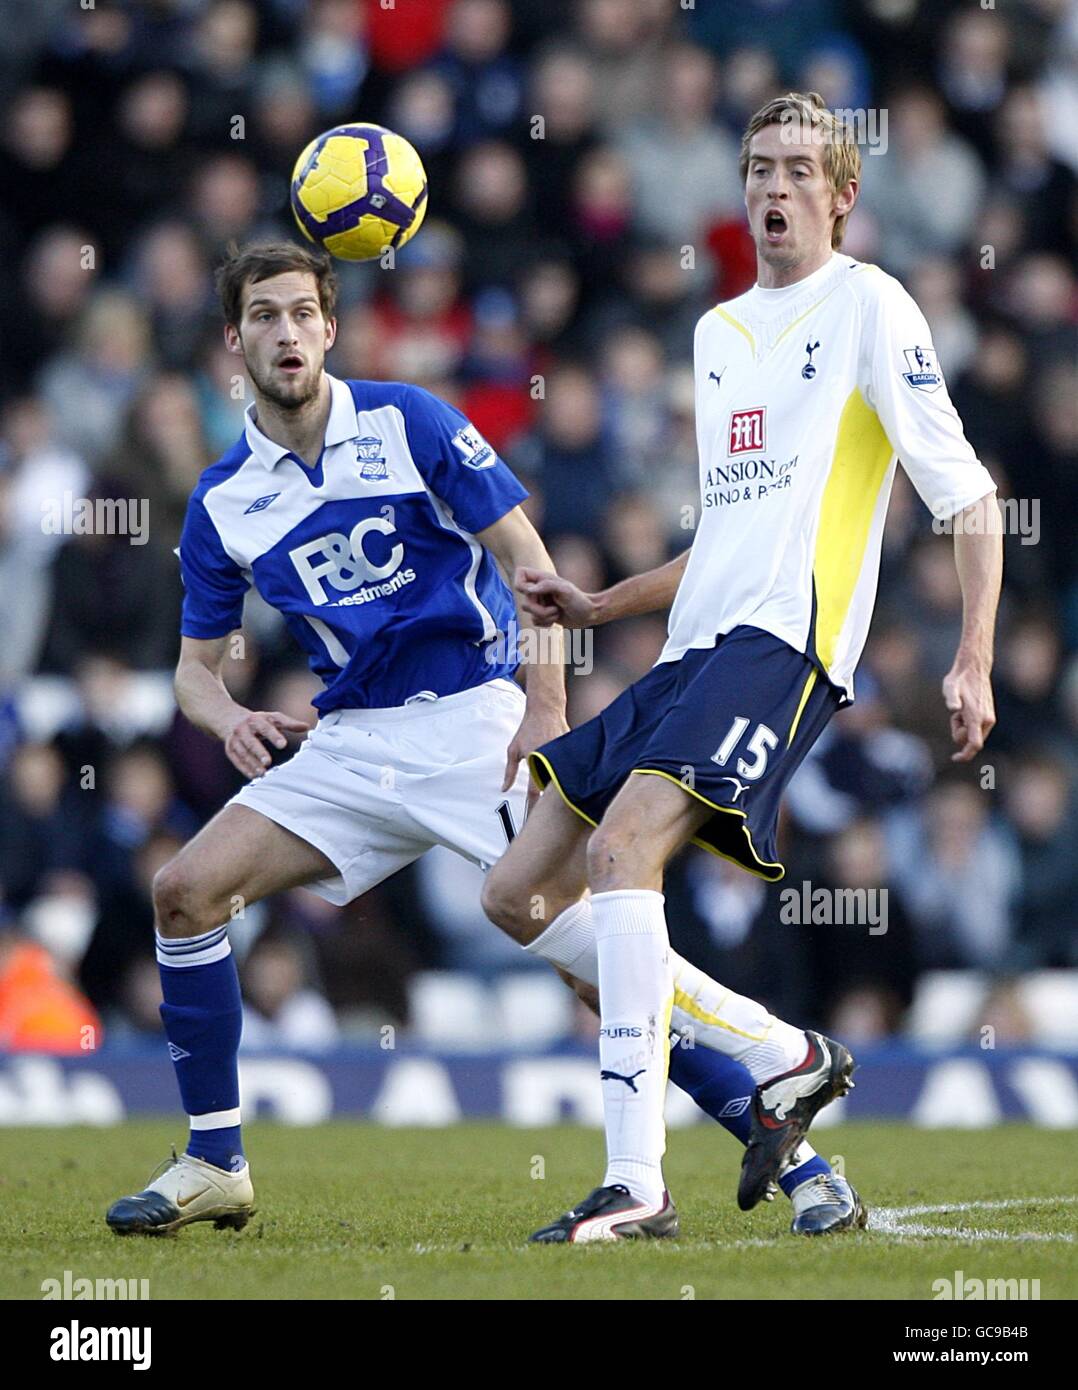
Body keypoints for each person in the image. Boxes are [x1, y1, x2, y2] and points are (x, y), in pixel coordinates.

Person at [104, 240, 850, 1238]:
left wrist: (544, 704)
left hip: (470, 719)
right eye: (263, 316)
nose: (285, 332)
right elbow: (194, 674)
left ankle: (803, 1161)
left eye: (301, 313)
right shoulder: (223, 501)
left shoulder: (407, 421)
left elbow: (524, 557)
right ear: (232, 341)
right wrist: (232, 716)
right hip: (347, 744)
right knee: (184, 892)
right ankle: (213, 1161)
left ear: (330, 327)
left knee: (589, 962)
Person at [483, 91, 1002, 1243]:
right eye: (757, 167)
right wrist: (604, 600)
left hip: (784, 647)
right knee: (516, 891)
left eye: (797, 171)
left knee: (623, 853)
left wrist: (971, 655)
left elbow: (965, 494)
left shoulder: (869, 304)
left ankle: (636, 1182)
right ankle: (785, 1055)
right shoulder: (717, 335)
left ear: (840, 193)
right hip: (689, 650)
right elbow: (726, 530)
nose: (772, 188)